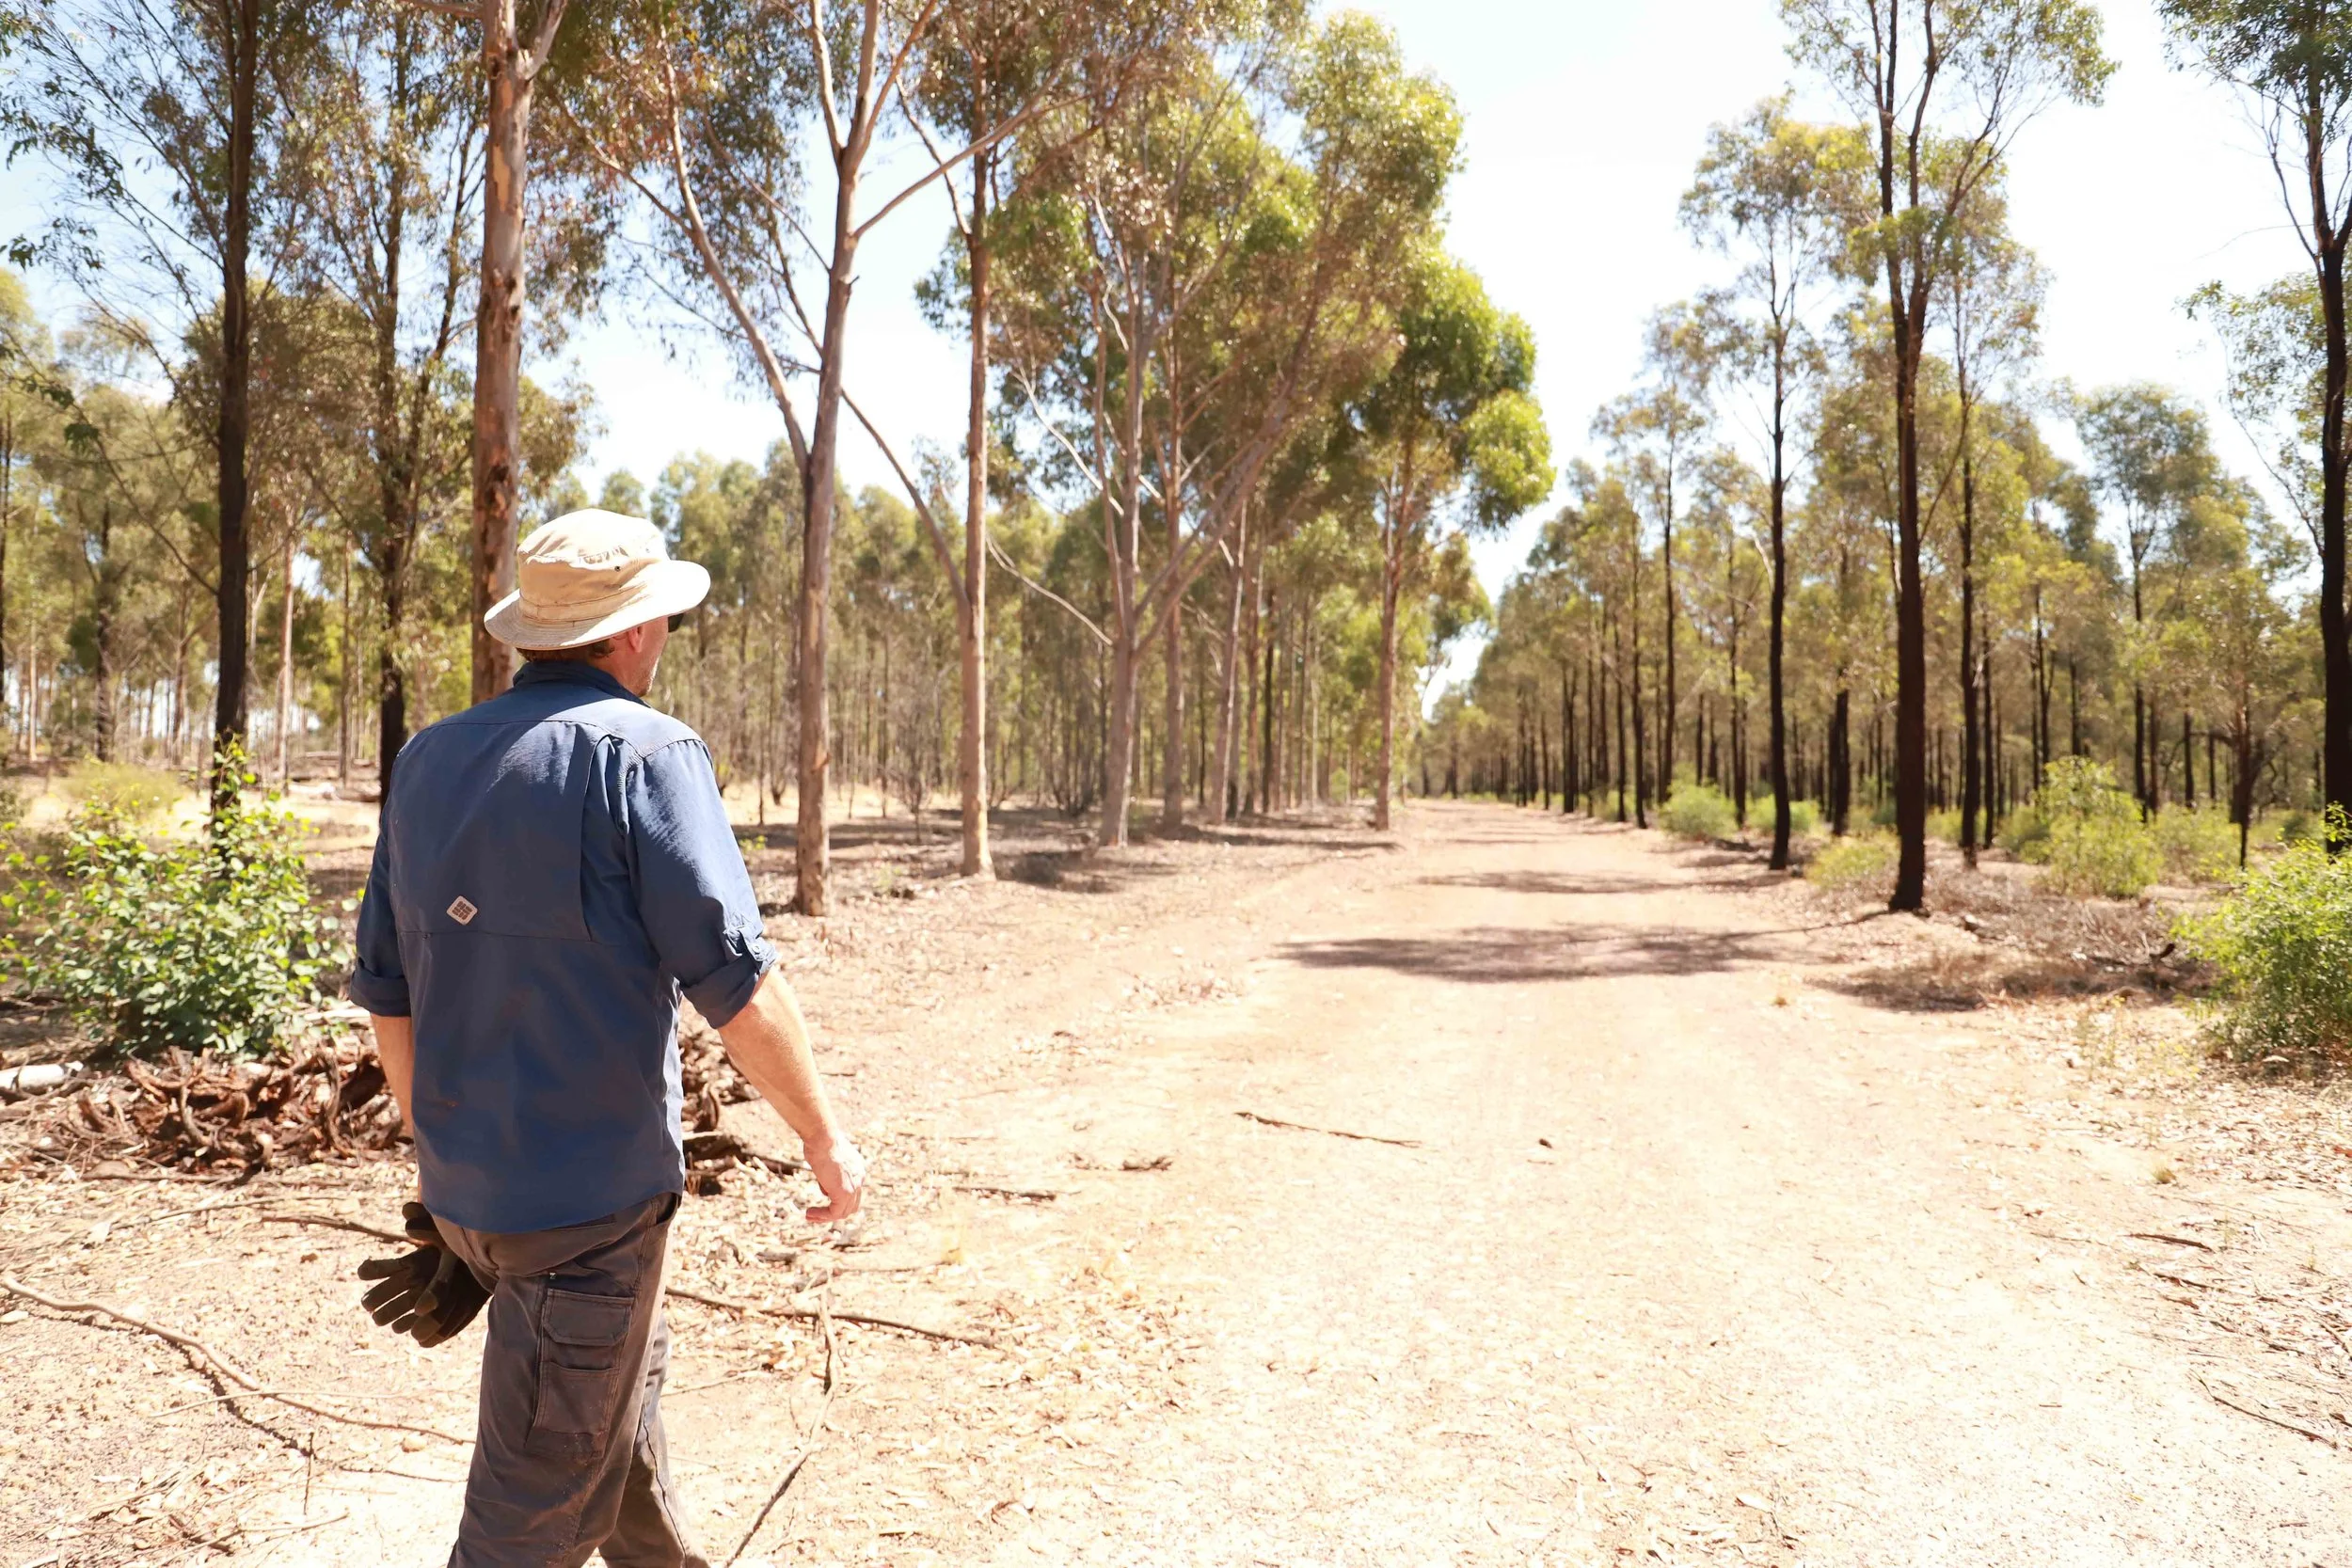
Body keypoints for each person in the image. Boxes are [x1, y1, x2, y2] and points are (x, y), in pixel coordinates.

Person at [348, 508, 864, 1568]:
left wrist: (452, 1177)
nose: (665, 631)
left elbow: (388, 993)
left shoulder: (429, 758)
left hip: (477, 1204)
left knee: (616, 1440)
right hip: (588, 1223)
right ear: (632, 630)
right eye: (661, 614)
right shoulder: (646, 753)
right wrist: (823, 1135)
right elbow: (740, 987)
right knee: (525, 1527)